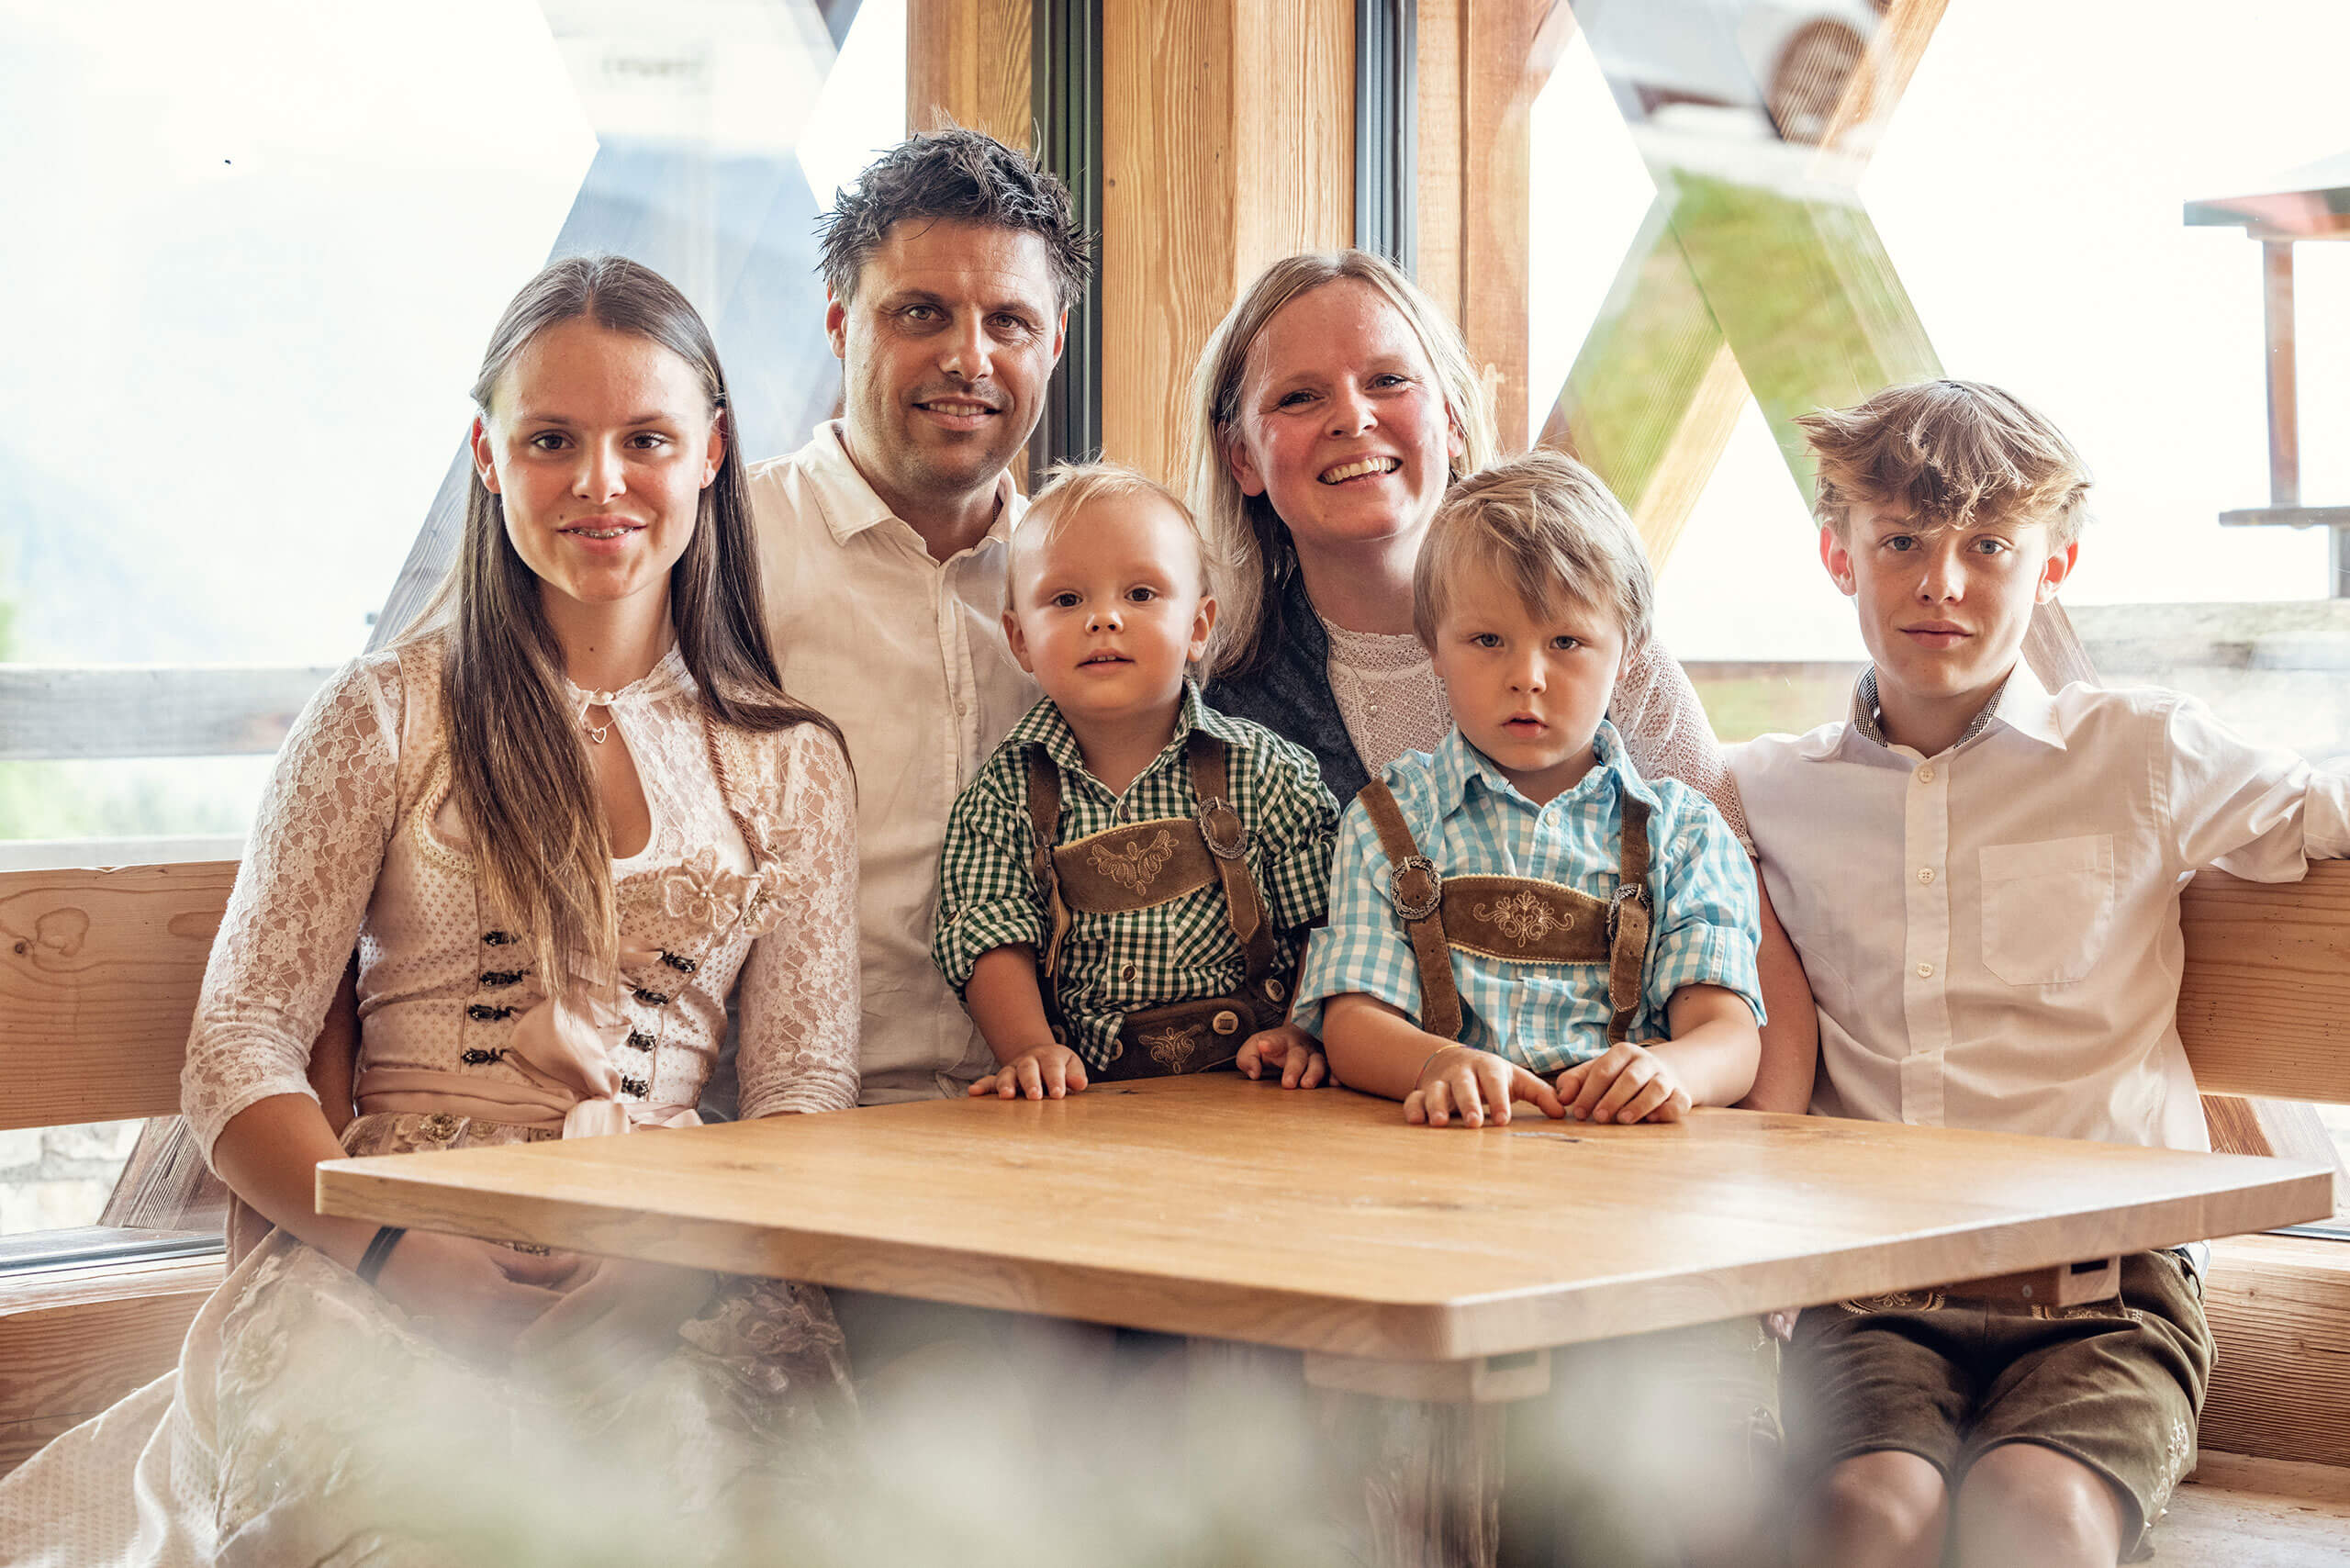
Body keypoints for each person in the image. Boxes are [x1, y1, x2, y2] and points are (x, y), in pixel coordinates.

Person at [0, 255, 862, 1564]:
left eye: (645, 439)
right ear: (487, 456)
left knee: (737, 1503)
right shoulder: (384, 715)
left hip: (675, 1256)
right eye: (551, 439)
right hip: (389, 1244)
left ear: (711, 452)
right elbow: (236, 1049)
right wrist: (394, 1244)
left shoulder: (790, 762)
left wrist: (676, 1253)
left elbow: (804, 1095)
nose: (600, 482)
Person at [1733, 379, 2350, 1568]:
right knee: (1870, 1517)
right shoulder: (1766, 789)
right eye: (1900, 542)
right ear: (1837, 553)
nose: (1942, 582)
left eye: (1988, 546)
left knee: (2036, 1518)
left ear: (2052, 565)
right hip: (1873, 1284)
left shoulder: (2142, 750)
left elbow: (2326, 809)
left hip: (2108, 1286)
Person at [1185, 247, 1817, 1112]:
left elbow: (1748, 965)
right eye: (1299, 397)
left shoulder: (1608, 656)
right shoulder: (1217, 703)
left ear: (1450, 420)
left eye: (1388, 380)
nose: (1353, 417)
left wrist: (1756, 1168)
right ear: (1242, 458)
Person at [1298, 450, 1772, 1568]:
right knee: (1415, 1497)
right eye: (1487, 642)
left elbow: (1730, 1034)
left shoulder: (1682, 833)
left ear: (1626, 652)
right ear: (1433, 648)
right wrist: (1431, 1062)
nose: (1528, 678)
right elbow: (1350, 1018)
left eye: (1567, 643)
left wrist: (1671, 1068)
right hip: (1437, 1237)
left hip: (1632, 1241)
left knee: (1650, 1497)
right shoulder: (1389, 819)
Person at [748, 129, 1089, 1106]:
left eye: (1009, 322)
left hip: (1042, 1117)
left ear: (1055, 342)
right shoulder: (716, 550)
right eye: (920, 312)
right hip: (767, 1131)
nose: (968, 357)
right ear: (839, 323)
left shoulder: (1091, 589)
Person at [932, 463, 1338, 1099]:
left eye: (1141, 594)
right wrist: (1030, 1049)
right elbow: (989, 935)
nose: (1104, 619)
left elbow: (1325, 920)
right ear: (1020, 640)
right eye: (1066, 600)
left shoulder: (1269, 773)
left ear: (1198, 627)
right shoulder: (1002, 798)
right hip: (1085, 1100)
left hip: (1258, 1094)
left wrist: (1302, 1030)